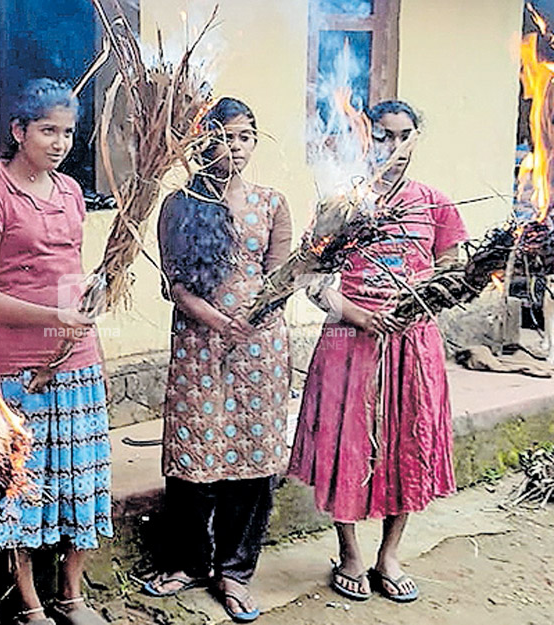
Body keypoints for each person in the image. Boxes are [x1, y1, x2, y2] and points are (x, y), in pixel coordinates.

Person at [288, 100, 468, 603]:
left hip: (413, 345)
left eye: (405, 136)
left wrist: (426, 293)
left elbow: (454, 264)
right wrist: (358, 314)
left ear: (416, 138)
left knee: (405, 444)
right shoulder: (342, 205)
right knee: (346, 445)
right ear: (366, 139)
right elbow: (309, 277)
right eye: (384, 137)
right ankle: (349, 552)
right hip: (351, 342)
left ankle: (389, 554)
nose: (394, 148)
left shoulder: (434, 203)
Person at [0, 78, 112, 625]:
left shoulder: (70, 191)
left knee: (81, 477)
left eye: (68, 132)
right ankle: (29, 604)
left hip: (78, 359)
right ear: (18, 130)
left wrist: (94, 295)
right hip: (18, 368)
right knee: (20, 484)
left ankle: (72, 593)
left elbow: (69, 267)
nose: (60, 142)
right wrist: (53, 318)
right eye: (48, 130)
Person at [145, 97, 292, 623]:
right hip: (199, 344)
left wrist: (256, 316)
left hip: (261, 345)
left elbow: (283, 277)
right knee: (194, 454)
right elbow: (175, 285)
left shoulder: (272, 202)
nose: (236, 147)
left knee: (251, 459)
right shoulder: (180, 205)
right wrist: (215, 320)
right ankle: (188, 563)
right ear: (204, 140)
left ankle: (235, 571)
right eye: (227, 136)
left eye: (246, 136)